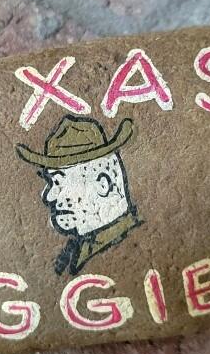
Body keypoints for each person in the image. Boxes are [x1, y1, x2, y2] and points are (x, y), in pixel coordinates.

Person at [16, 114, 141, 275]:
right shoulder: (75, 251)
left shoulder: (134, 245)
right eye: (51, 183)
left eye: (58, 182)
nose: (48, 197)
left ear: (103, 184)